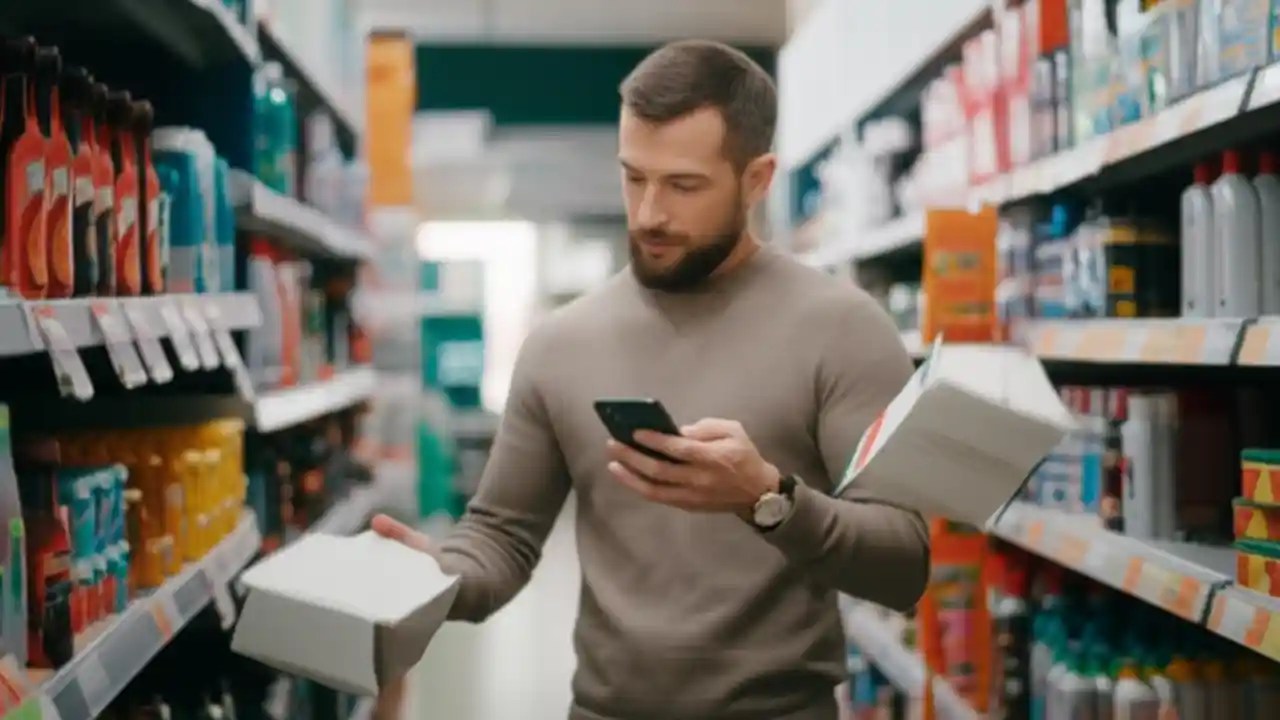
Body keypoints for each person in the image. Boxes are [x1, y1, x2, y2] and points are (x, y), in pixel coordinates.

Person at [372, 39, 930, 720]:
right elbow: (502, 537)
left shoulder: (843, 329)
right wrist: (438, 575)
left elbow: (904, 563)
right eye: (633, 177)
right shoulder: (562, 343)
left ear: (757, 180)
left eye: (683, 185)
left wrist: (769, 499)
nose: (648, 214)